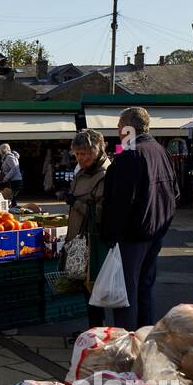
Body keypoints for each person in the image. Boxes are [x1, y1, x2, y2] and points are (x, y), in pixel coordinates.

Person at [100, 107, 179, 329]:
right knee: (145, 287)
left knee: (126, 292)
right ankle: (146, 335)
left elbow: (120, 202)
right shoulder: (160, 151)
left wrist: (109, 234)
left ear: (127, 128)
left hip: (133, 234)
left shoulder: (131, 154)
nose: (117, 130)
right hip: (156, 231)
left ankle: (128, 341)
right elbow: (175, 191)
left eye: (118, 126)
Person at [64, 130, 110, 328]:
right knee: (85, 288)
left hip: (93, 242)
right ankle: (94, 329)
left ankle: (98, 330)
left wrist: (75, 203)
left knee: (95, 288)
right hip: (78, 240)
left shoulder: (105, 175)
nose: (81, 158)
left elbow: (101, 212)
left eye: (85, 154)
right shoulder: (82, 172)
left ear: (98, 150)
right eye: (78, 154)